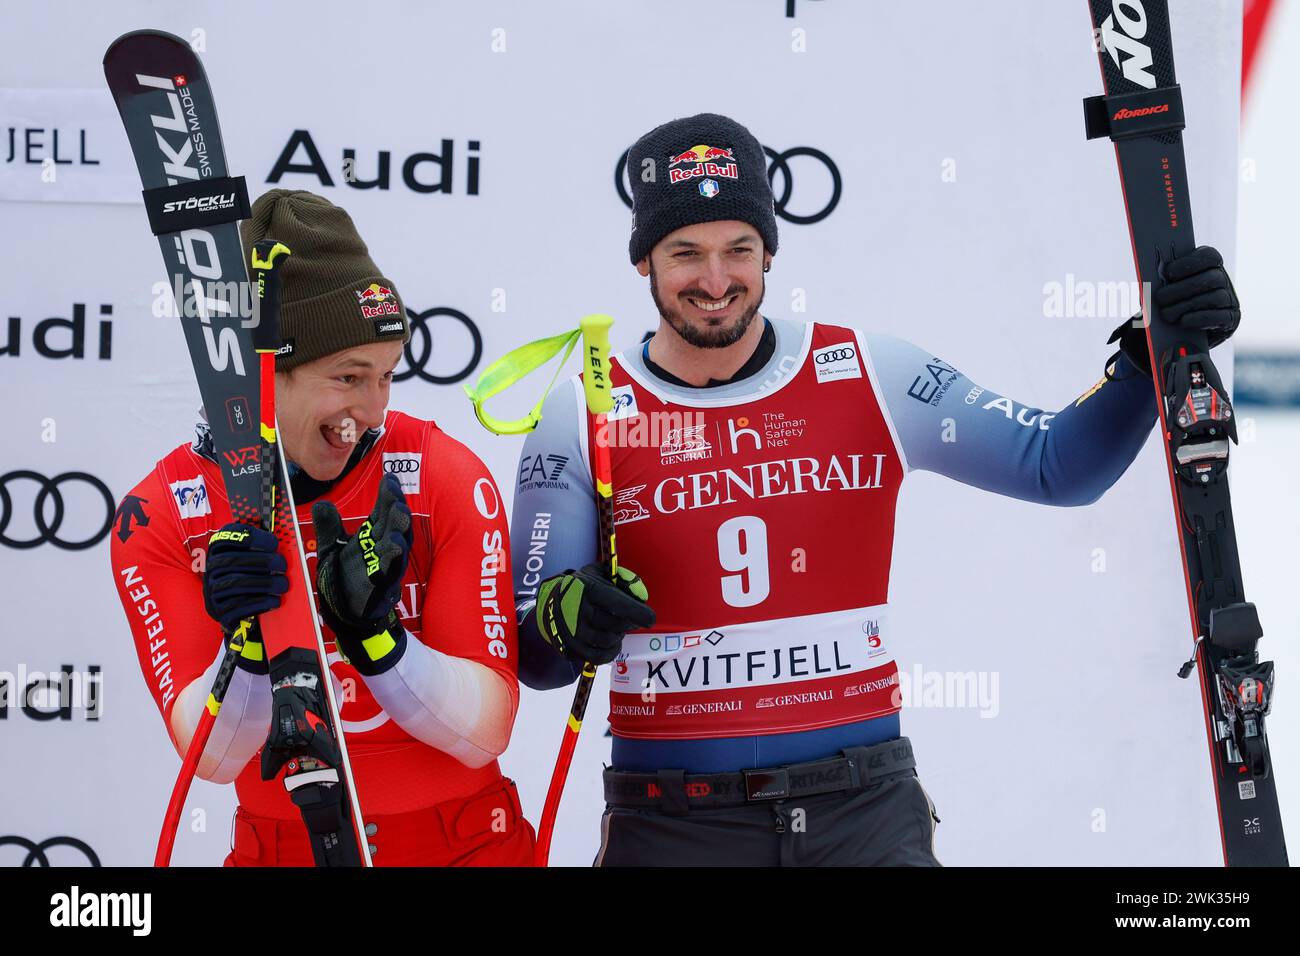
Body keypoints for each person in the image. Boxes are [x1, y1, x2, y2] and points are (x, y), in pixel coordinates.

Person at [509, 114, 1241, 866]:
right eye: (685, 254)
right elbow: (535, 653)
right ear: (643, 262)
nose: (717, 281)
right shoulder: (585, 414)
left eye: (741, 250)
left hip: (861, 817)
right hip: (673, 824)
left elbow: (1058, 465)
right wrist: (569, 619)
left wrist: (1154, 351)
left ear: (771, 251)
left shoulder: (864, 372)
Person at [110, 190, 534, 866]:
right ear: (261, 371)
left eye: (387, 377)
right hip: (282, 848)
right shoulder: (164, 513)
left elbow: (486, 733)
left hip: (463, 845)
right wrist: (244, 651)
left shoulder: (438, 477)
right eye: (349, 377)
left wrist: (378, 639)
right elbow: (213, 760)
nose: (372, 410)